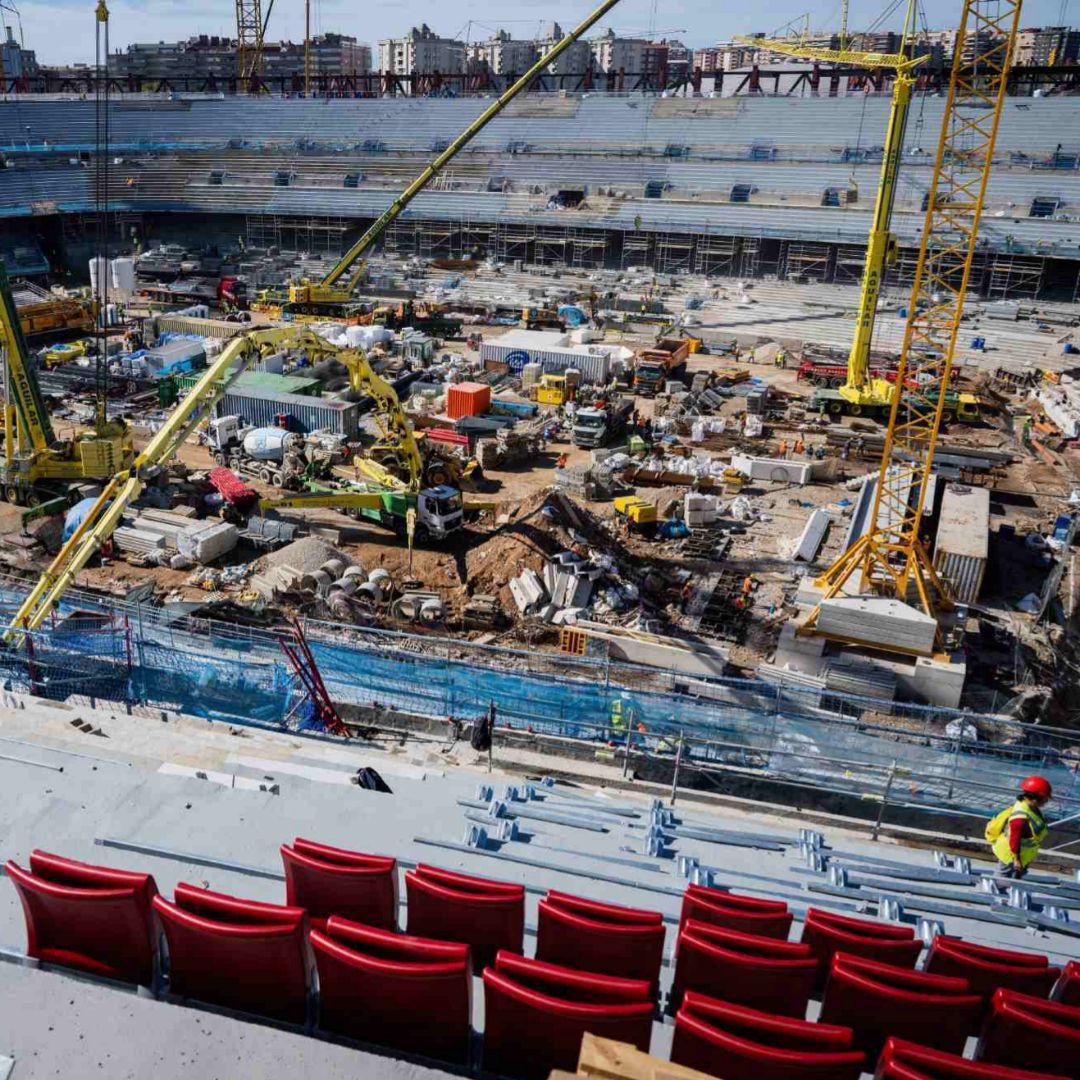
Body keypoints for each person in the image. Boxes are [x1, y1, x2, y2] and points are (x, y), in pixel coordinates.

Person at [986, 775, 1052, 879]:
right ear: (1035, 798)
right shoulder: (1020, 818)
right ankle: (994, 887)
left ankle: (1010, 886)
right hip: (1010, 853)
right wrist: (1016, 859)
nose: (1046, 802)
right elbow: (1014, 839)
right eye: (1045, 799)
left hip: (1024, 854)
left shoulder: (1031, 808)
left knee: (1016, 876)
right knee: (1002, 876)